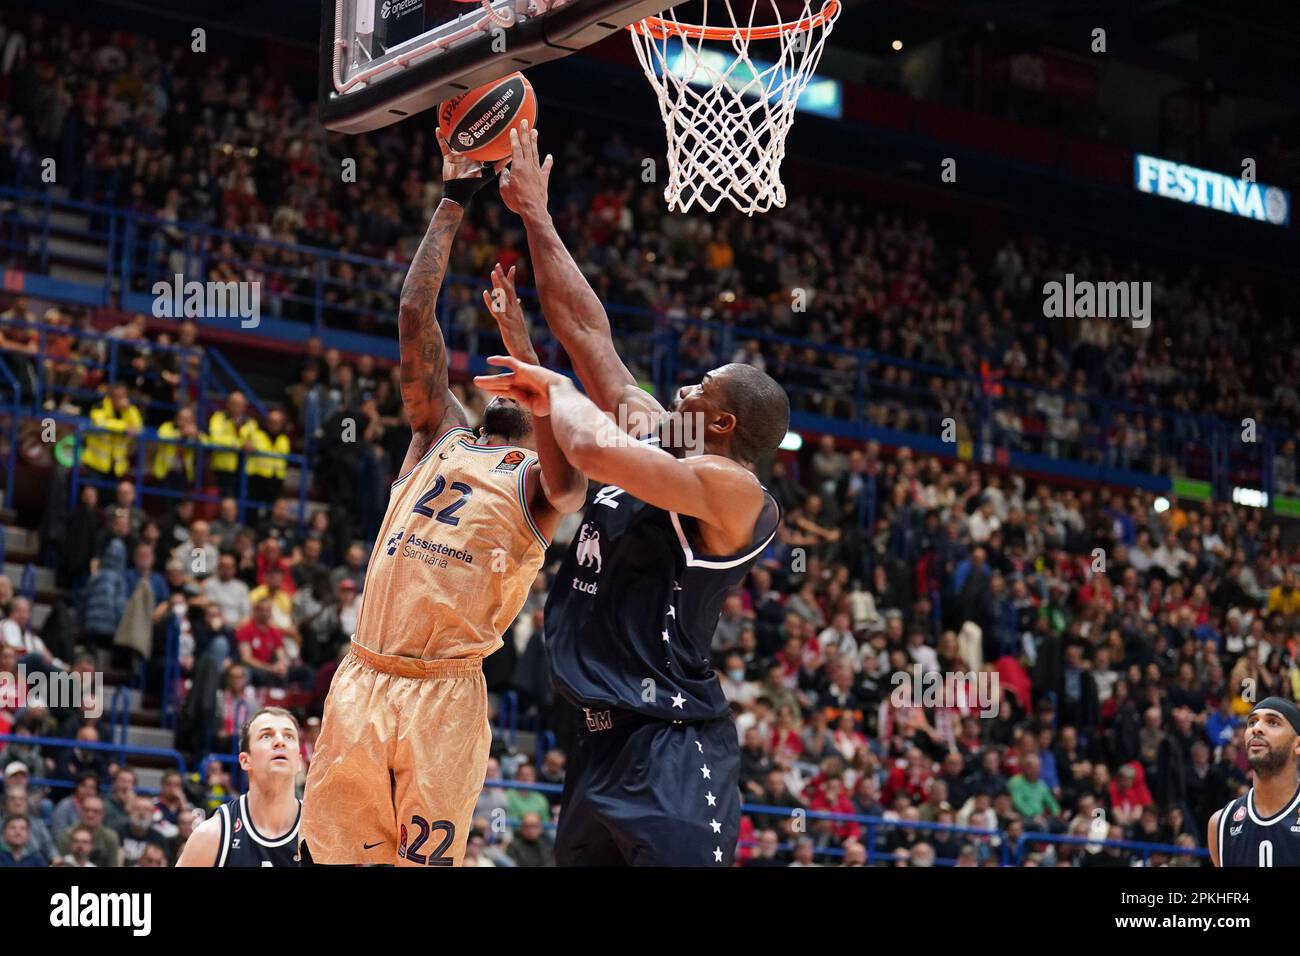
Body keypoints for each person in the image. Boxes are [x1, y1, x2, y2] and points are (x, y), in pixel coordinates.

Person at [483, 120, 787, 866]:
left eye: (700, 385)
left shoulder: (734, 494)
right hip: (596, 745)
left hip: (672, 753)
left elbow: (587, 443)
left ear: (720, 421)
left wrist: (550, 386)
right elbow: (590, 338)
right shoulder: (665, 440)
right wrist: (536, 215)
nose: (680, 385)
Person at [299, 136, 585, 868]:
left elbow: (570, 480)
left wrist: (530, 356)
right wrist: (456, 197)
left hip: (443, 695)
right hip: (363, 674)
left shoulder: (537, 478)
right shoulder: (440, 435)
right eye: (498, 373)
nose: (495, 380)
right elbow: (412, 315)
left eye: (515, 380)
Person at [178, 707, 303, 866]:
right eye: (266, 736)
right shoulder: (212, 835)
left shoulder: (322, 834)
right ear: (245, 760)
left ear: (299, 761)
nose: (280, 741)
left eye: (289, 736)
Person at [1209, 697, 1300, 867]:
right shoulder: (1221, 822)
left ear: (1298, 745)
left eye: (1273, 722)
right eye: (1252, 722)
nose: (1256, 728)